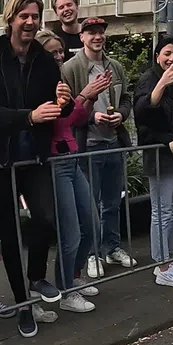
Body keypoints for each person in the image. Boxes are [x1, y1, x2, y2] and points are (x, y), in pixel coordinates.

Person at [0, 0, 67, 338]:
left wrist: (65, 103)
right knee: (10, 235)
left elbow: (57, 107)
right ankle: (22, 305)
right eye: (23, 16)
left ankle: (36, 276)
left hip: (35, 155)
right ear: (10, 18)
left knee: (45, 217)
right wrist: (29, 116)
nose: (30, 22)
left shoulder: (45, 61)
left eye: (35, 16)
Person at [37, 29, 108, 313]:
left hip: (73, 159)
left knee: (91, 224)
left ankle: (74, 278)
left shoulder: (59, 81)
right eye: (52, 51)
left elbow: (76, 118)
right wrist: (83, 95)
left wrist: (89, 98)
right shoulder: (40, 84)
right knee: (71, 232)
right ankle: (66, 288)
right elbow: (53, 120)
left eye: (60, 51)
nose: (58, 55)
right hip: (55, 163)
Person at [61, 17, 135, 278]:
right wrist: (92, 117)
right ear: (81, 37)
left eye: (101, 32)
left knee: (113, 202)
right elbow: (66, 108)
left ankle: (112, 247)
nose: (97, 37)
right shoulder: (70, 69)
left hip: (113, 141)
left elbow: (126, 98)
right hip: (87, 145)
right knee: (89, 205)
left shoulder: (115, 66)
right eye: (91, 33)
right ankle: (91, 253)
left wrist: (121, 116)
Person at [134, 35, 173, 287]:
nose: (172, 59)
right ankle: (161, 266)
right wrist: (162, 82)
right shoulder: (151, 78)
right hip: (159, 152)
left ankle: (168, 259)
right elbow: (142, 109)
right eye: (167, 54)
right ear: (158, 55)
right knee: (162, 210)